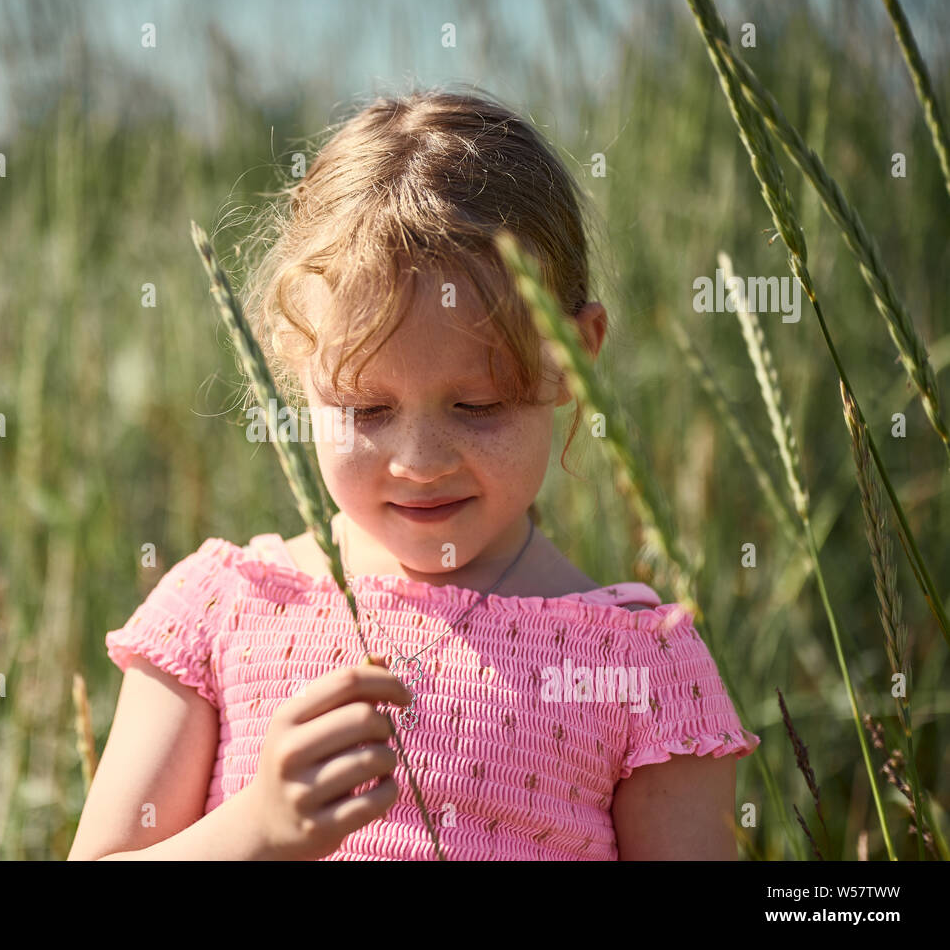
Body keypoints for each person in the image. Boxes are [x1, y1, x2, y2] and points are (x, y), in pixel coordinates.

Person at [69, 88, 759, 861]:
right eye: (367, 410)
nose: (421, 463)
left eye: (478, 404)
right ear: (297, 361)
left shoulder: (645, 666)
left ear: (575, 357)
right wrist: (255, 830)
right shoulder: (221, 610)